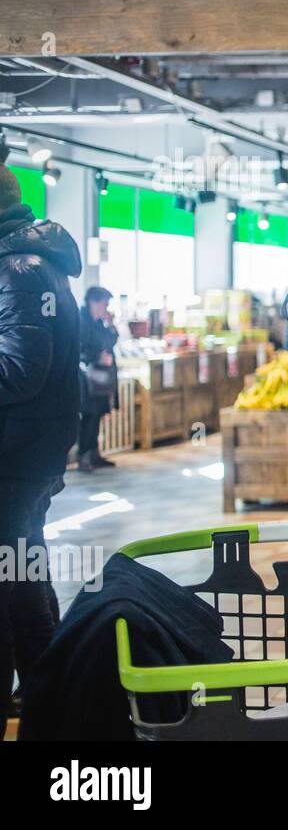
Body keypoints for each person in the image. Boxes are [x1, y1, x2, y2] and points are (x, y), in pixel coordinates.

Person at [0, 164, 82, 728]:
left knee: (17, 577)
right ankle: (46, 694)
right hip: (31, 451)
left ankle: (47, 694)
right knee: (21, 573)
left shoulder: (19, 269)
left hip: (16, 454)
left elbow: (22, 370)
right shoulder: (33, 261)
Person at [76, 285, 118, 472]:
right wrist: (96, 357)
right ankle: (83, 456)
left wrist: (110, 325)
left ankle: (94, 453)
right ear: (92, 302)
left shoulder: (100, 322)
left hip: (101, 378)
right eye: (103, 303)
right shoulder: (80, 320)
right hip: (86, 378)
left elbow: (110, 341)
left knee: (98, 414)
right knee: (88, 416)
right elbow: (77, 350)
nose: (105, 307)